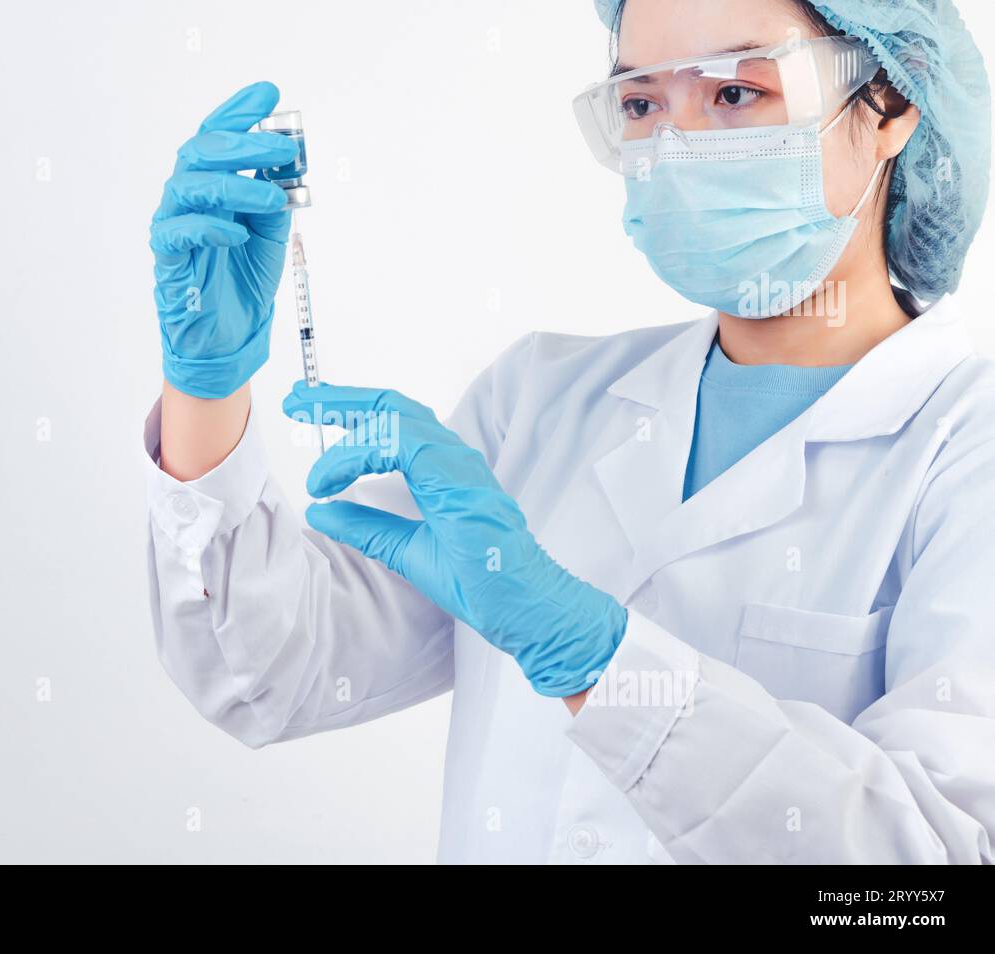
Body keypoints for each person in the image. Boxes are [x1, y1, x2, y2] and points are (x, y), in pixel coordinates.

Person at [143, 0, 995, 863]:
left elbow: (926, 873)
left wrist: (595, 659)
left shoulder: (967, 449)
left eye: (736, 93)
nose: (677, 147)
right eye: (640, 103)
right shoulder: (539, 401)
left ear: (890, 104)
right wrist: (204, 388)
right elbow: (267, 676)